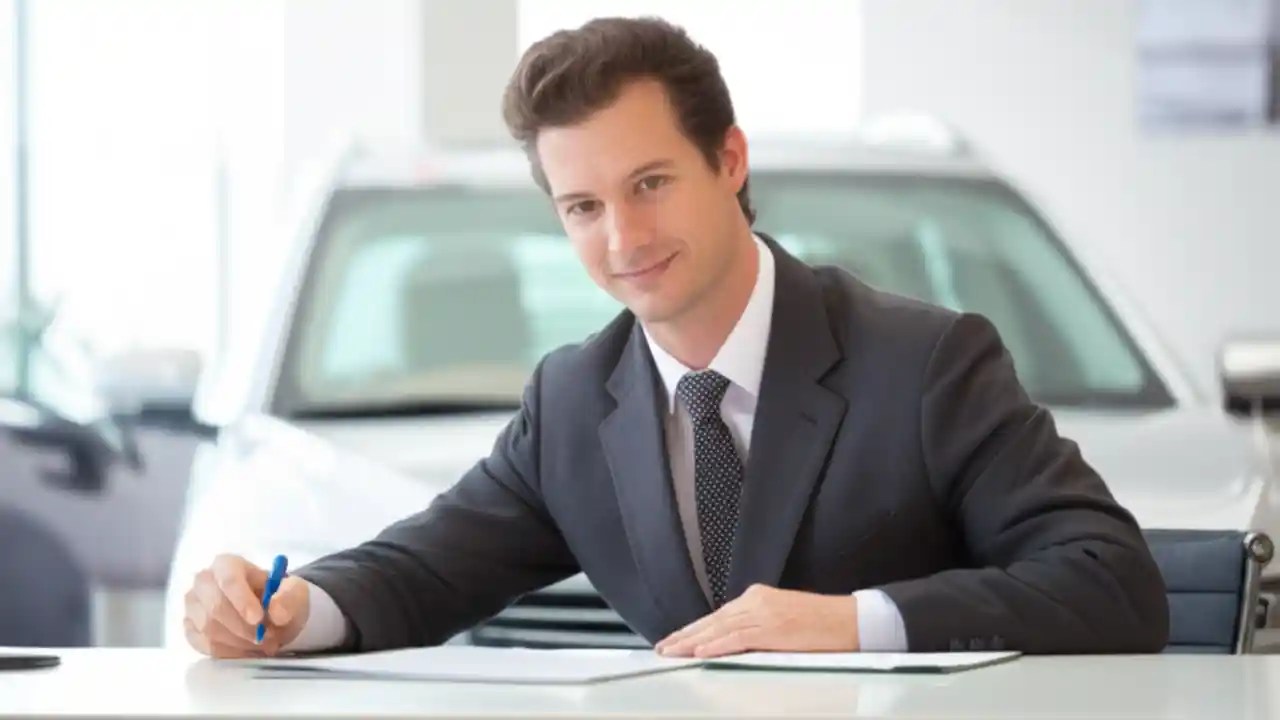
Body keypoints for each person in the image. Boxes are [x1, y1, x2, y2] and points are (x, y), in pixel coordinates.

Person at [181, 16, 1169, 660]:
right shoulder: (573, 401)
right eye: (581, 206)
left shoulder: (921, 365)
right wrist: (285, 611)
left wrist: (847, 626)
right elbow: (423, 570)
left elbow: (1110, 583)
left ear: (728, 160)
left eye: (649, 184)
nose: (623, 239)